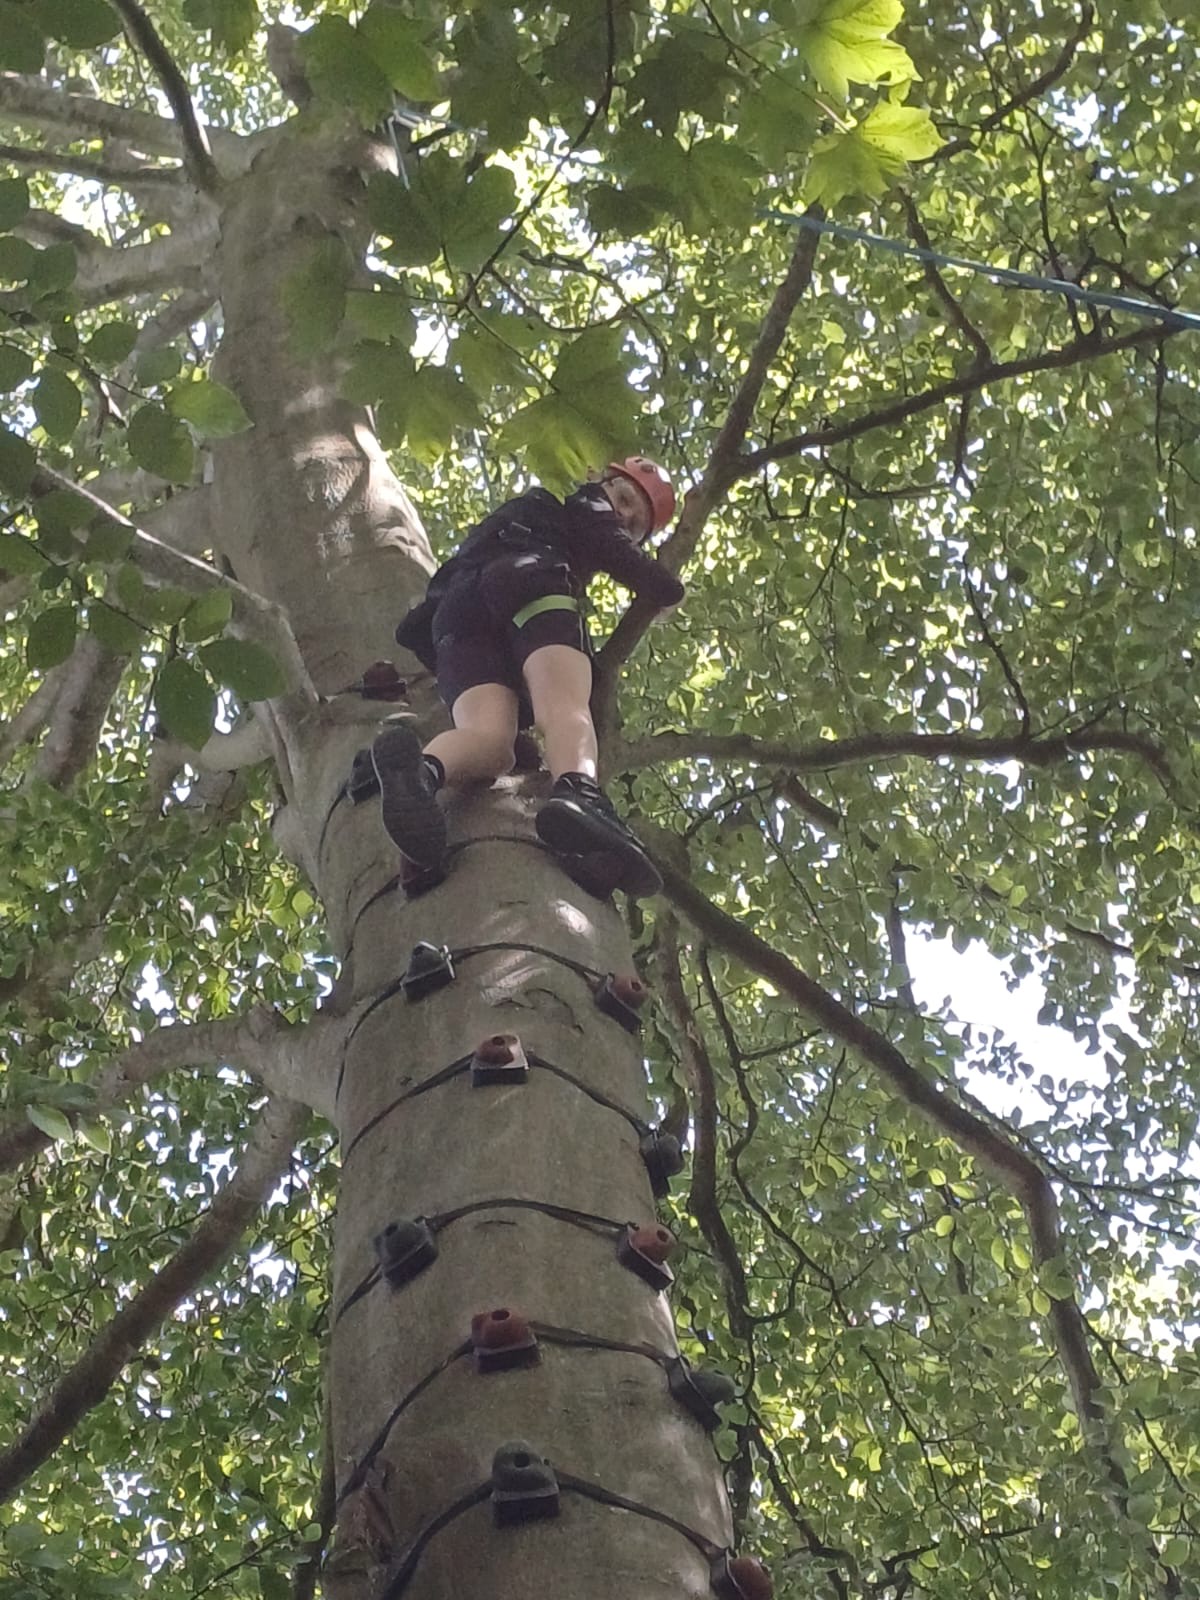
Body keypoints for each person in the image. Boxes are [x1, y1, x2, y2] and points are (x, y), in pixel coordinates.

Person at [366, 456, 684, 898]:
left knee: (493, 743)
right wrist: (665, 589)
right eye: (624, 498)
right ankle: (579, 792)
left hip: (457, 619)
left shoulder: (506, 526)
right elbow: (607, 541)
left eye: (634, 523)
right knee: (565, 705)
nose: (623, 516)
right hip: (530, 581)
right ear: (599, 480)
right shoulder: (584, 504)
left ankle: (422, 774)